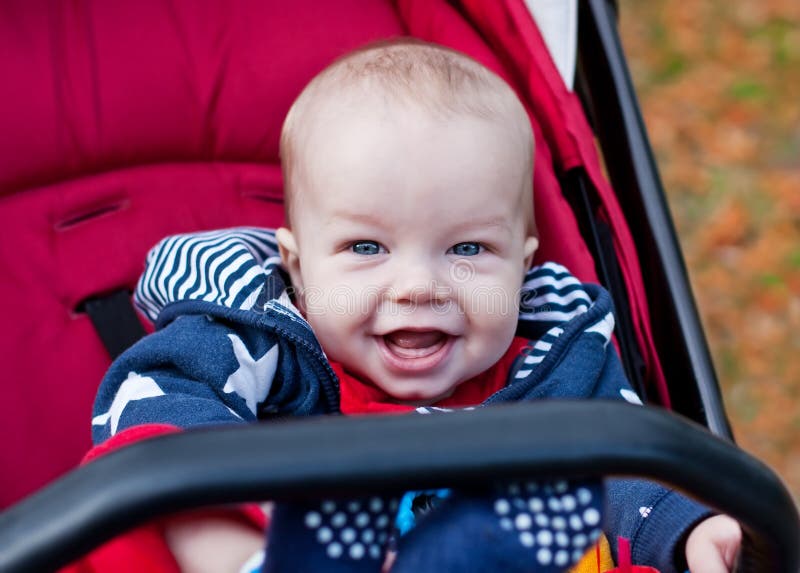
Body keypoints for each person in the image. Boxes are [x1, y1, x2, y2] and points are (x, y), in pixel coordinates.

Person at [91, 40, 741, 573]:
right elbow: (160, 410)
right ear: (298, 268)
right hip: (290, 544)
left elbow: (620, 468)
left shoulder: (554, 365)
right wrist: (240, 548)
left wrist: (686, 530)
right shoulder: (257, 344)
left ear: (523, 266)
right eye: (367, 246)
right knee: (140, 481)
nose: (418, 286)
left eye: (467, 247)